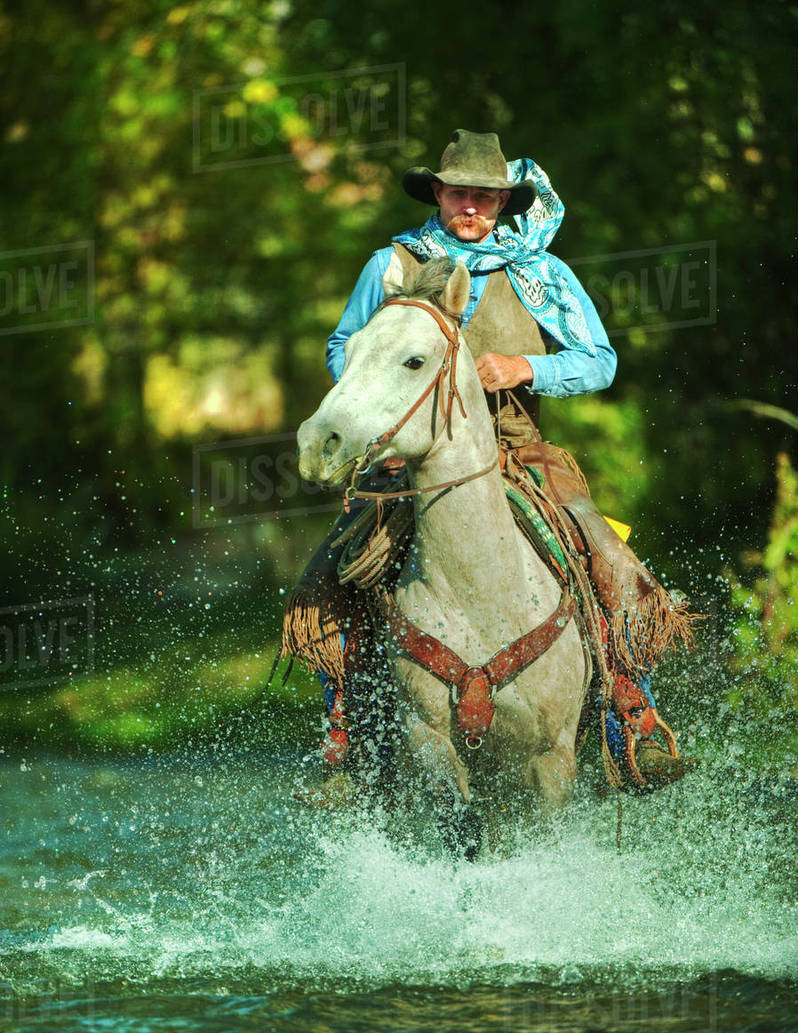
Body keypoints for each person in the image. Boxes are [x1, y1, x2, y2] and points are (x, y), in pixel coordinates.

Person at [286, 130, 695, 789]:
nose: (469, 207)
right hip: (409, 457)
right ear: (438, 194)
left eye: (484, 196)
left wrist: (526, 366)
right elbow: (346, 347)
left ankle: (632, 720)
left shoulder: (544, 273)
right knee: (330, 580)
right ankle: (346, 740)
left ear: (504, 201)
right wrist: (381, 407)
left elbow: (600, 360)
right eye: (458, 194)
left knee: (614, 567)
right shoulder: (394, 267)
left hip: (523, 452)